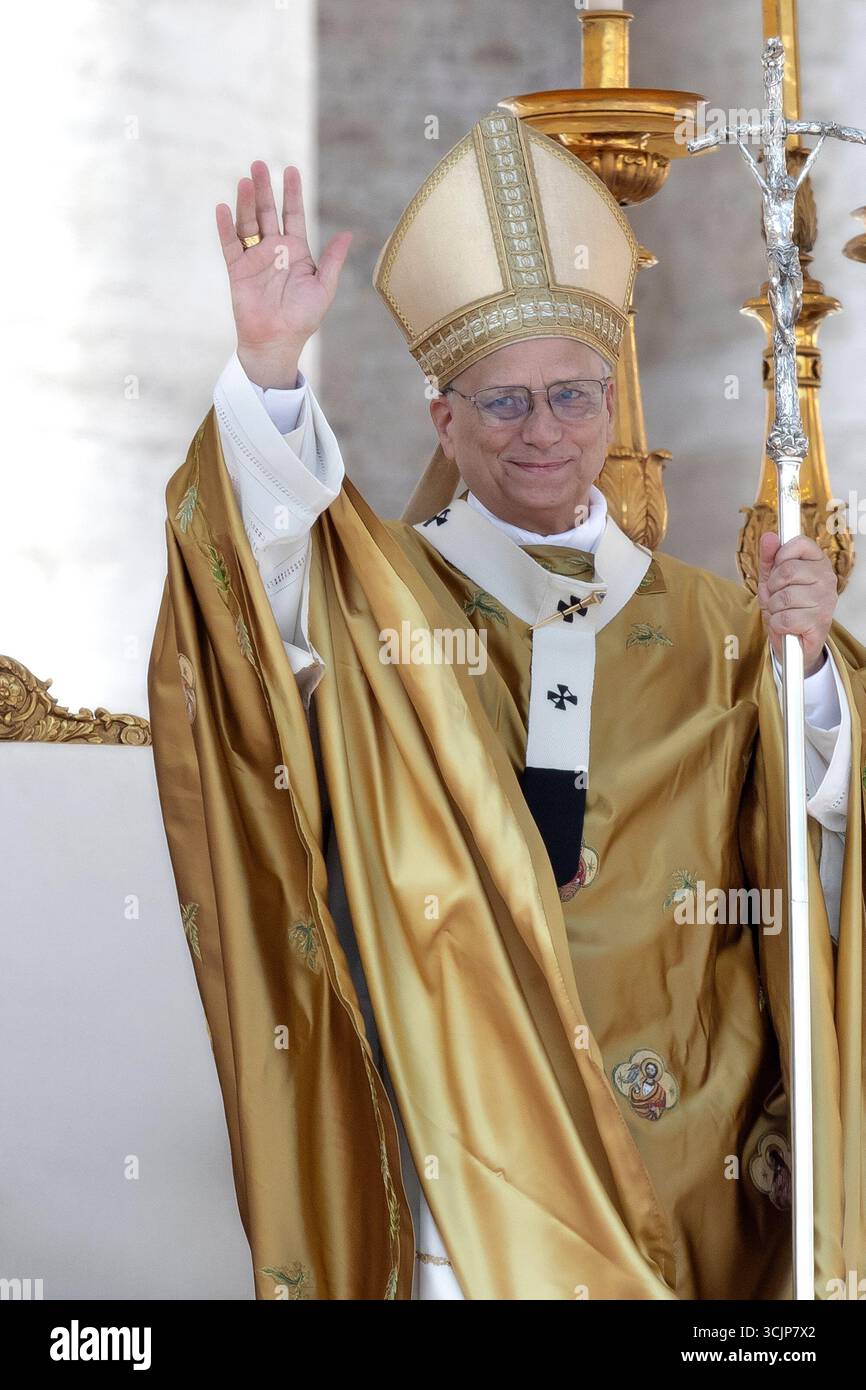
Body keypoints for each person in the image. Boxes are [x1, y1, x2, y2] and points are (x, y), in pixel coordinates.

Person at [148, 109, 866, 1300]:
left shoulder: (717, 627)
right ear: (442, 419)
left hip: (685, 1166)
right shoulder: (380, 608)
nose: (544, 434)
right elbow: (252, 621)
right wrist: (269, 373)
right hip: (463, 1146)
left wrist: (808, 672)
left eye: (573, 397)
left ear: (609, 405)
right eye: (503, 403)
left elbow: (816, 840)